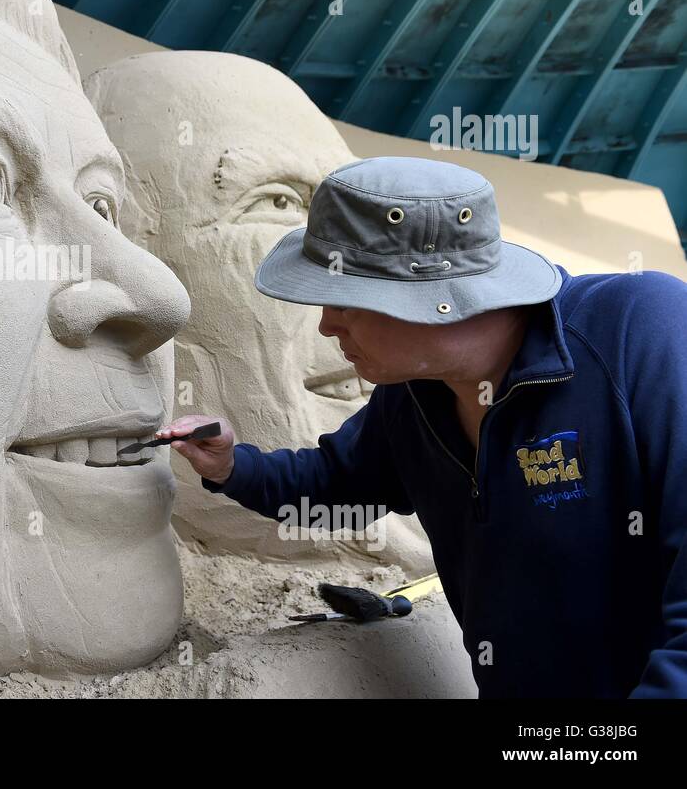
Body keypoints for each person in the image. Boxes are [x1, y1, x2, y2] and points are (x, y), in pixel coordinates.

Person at [159, 155, 687, 698]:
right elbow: (334, 483)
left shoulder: (641, 331)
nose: (325, 324)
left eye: (343, 299)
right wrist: (230, 466)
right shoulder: (415, 397)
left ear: (431, 297)